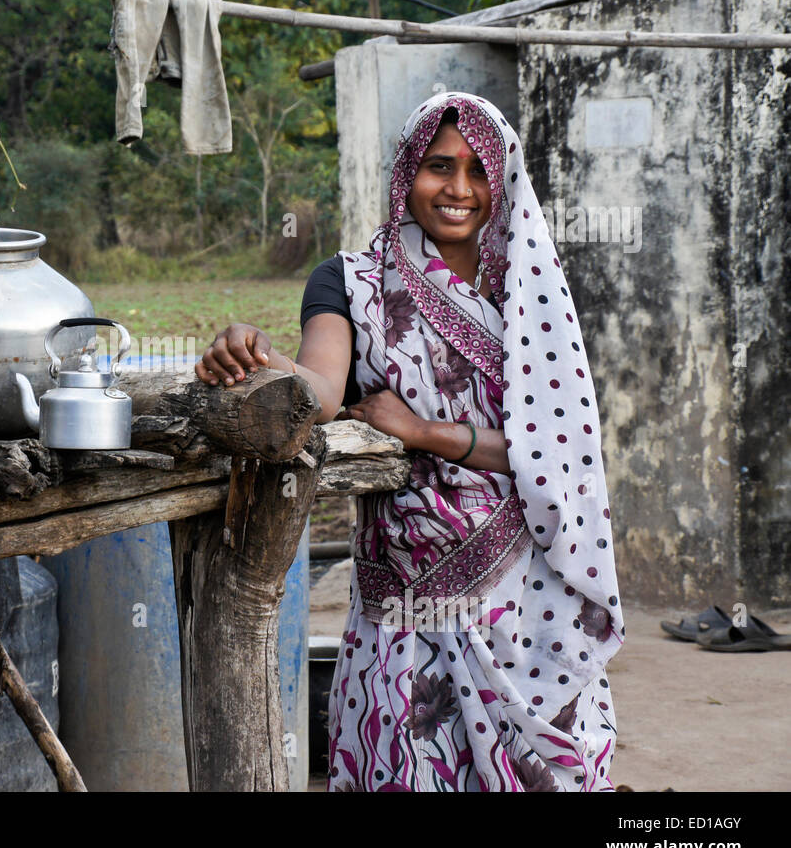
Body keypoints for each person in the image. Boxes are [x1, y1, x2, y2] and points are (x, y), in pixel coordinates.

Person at [194, 91, 623, 791]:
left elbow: (554, 447)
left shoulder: (528, 290)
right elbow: (323, 392)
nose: (459, 190)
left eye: (478, 171)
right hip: (404, 598)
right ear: (405, 174)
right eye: (438, 166)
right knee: (411, 765)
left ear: (503, 181)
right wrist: (256, 355)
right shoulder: (350, 282)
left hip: (523, 594)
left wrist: (424, 432)